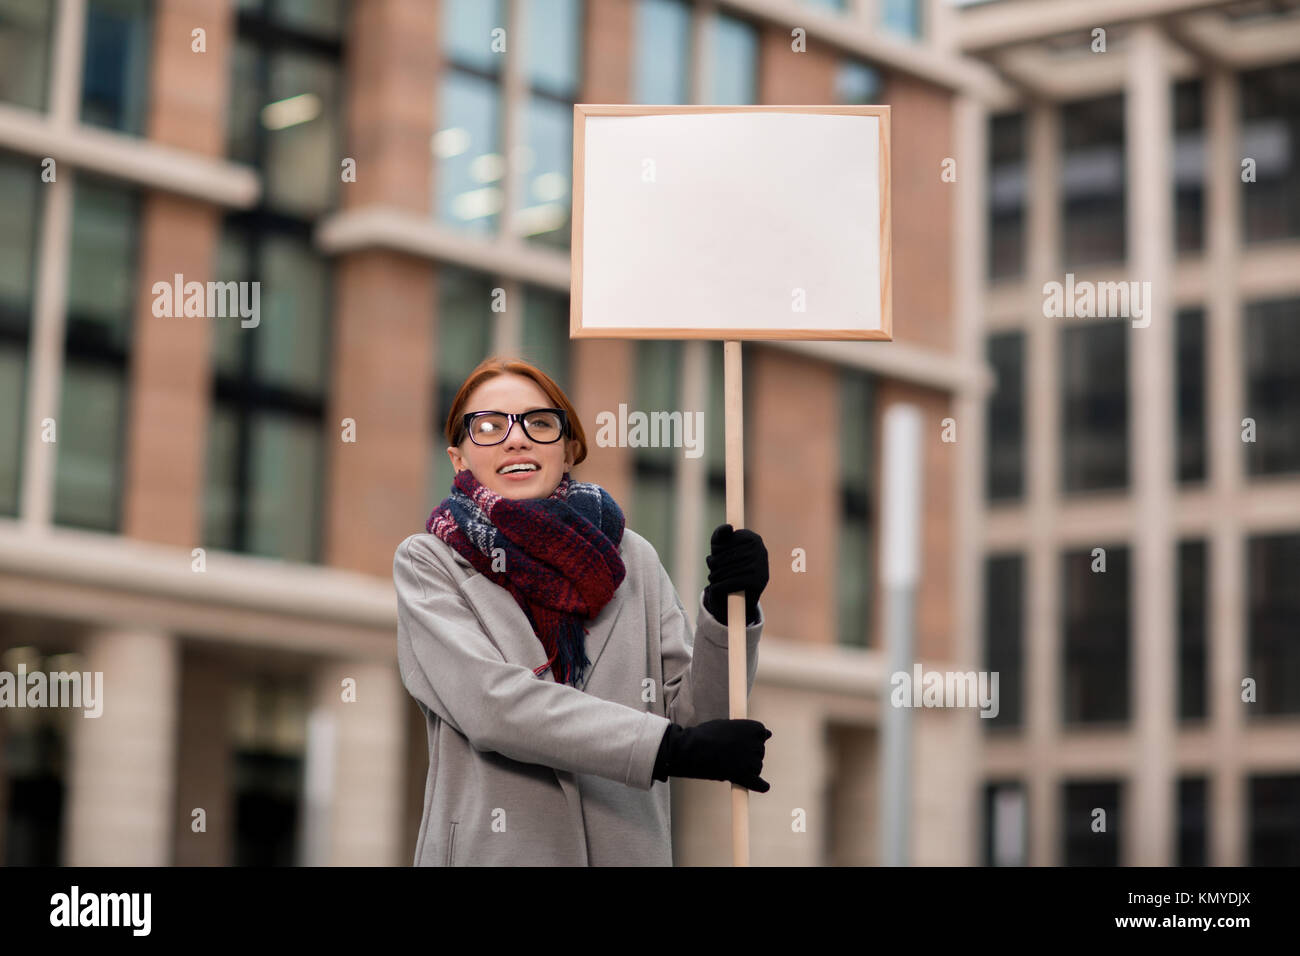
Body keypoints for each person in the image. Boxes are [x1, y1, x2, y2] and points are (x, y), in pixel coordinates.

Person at [394, 356, 772, 866]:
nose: (515, 438)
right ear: (458, 458)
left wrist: (731, 609)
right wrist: (667, 750)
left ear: (568, 450)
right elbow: (492, 707)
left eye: (539, 423)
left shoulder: (631, 557)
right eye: (487, 426)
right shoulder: (430, 561)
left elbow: (695, 717)